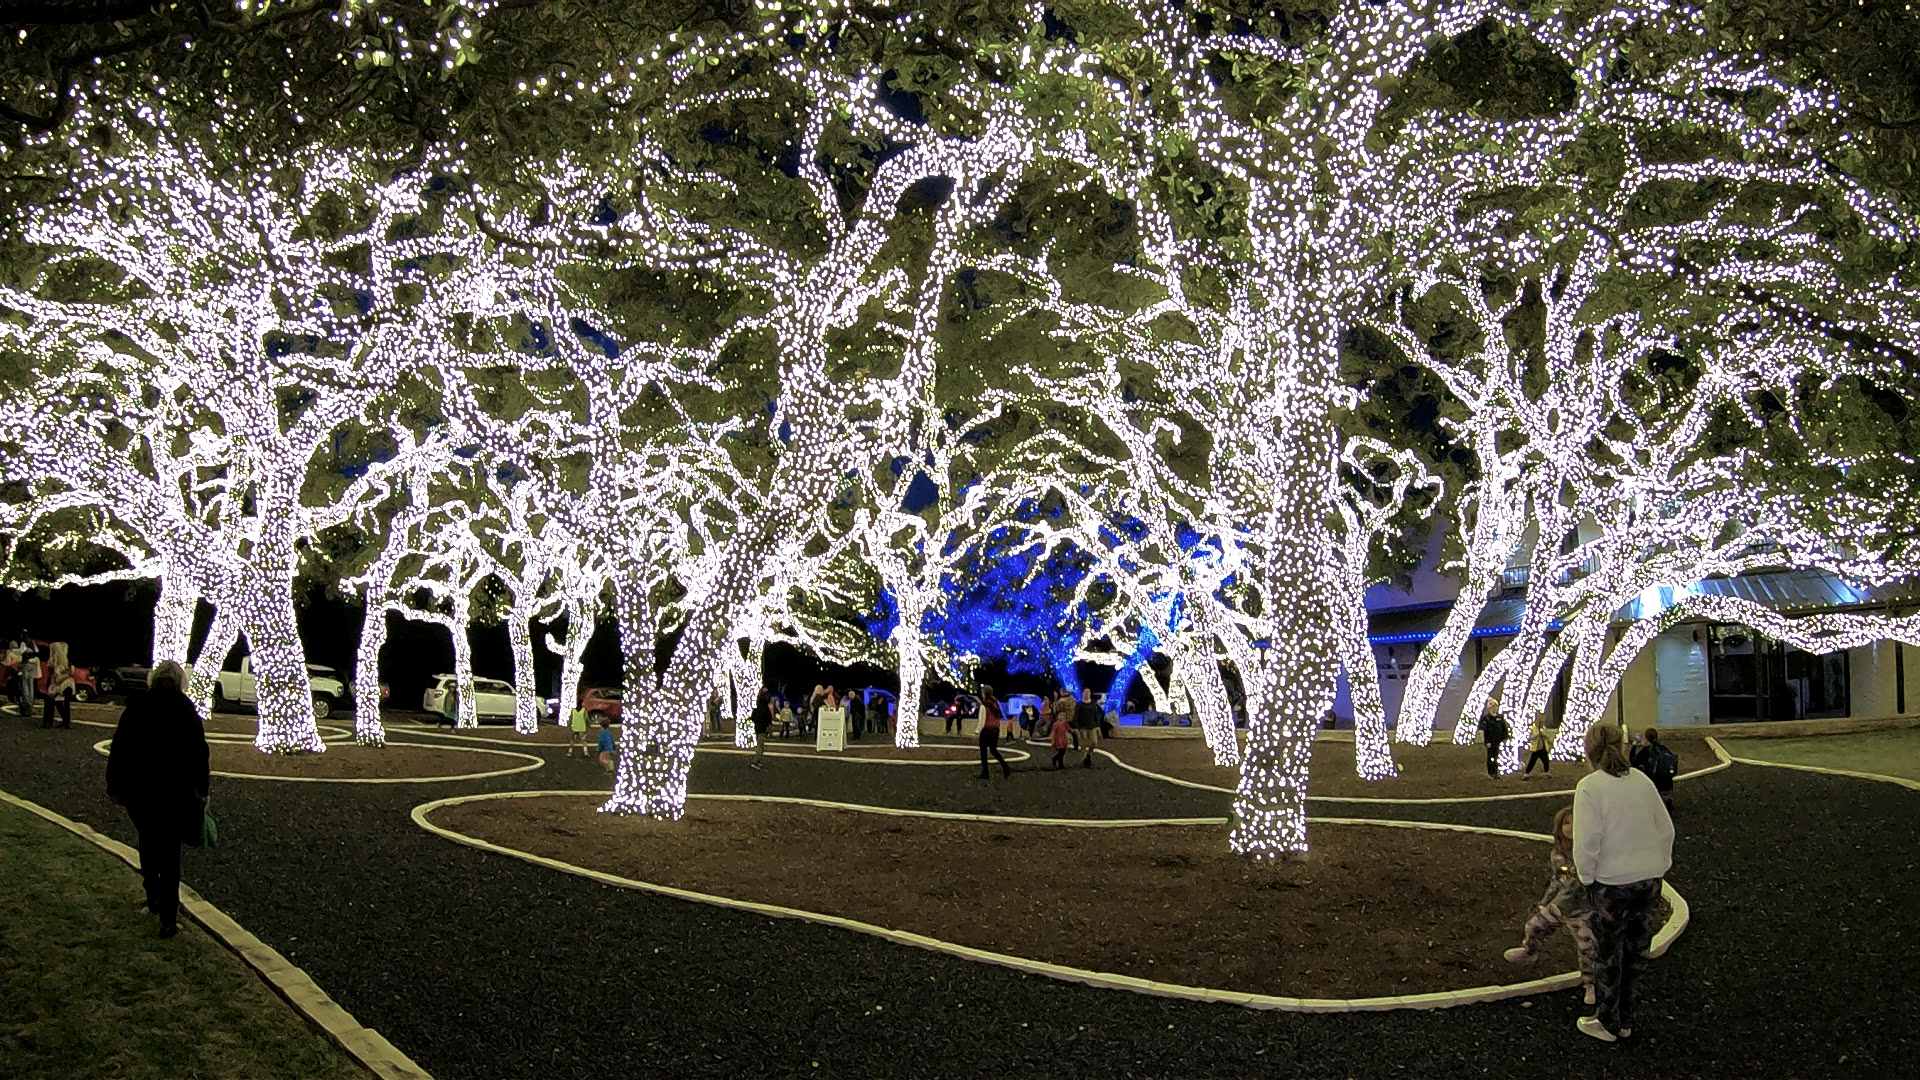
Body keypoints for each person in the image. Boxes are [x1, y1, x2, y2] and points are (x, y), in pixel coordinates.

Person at [1572, 721, 1674, 1043]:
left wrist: (1586, 878)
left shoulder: (1589, 787)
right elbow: (1665, 828)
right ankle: (1627, 1018)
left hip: (1611, 884)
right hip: (1648, 881)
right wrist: (1659, 865)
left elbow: (1587, 841)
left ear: (1589, 749)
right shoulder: (1642, 781)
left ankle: (1607, 1021)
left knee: (1608, 955)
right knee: (1636, 953)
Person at [105, 661, 209, 939]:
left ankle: (152, 889)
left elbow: (120, 747)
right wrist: (203, 789)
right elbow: (200, 754)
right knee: (171, 854)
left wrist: (114, 785)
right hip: (177, 793)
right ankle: (168, 920)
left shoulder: (137, 706)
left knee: (148, 841)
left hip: (141, 790)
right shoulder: (187, 710)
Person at [1503, 805, 1597, 1004]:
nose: (1571, 827)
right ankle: (1529, 950)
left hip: (1583, 908)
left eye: (1575, 822)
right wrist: (1544, 902)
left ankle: (1591, 984)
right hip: (1561, 904)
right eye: (1566, 823)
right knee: (1534, 925)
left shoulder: (1590, 851)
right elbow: (1557, 880)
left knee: (1586, 946)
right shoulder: (1557, 853)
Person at [1630, 726, 1679, 812]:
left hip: (1653, 784)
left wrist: (1635, 745)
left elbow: (1633, 762)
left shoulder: (1646, 751)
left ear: (1645, 739)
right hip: (1667, 785)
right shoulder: (1664, 749)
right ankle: (1666, 802)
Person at [976, 684, 1010, 780]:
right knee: (993, 750)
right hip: (995, 729)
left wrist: (977, 731)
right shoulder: (995, 703)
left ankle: (985, 772)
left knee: (983, 751)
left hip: (986, 730)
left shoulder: (984, 705)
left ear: (984, 693)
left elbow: (982, 720)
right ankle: (1005, 766)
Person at [41, 641, 76, 729]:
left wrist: (54, 684)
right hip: (68, 684)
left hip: (58, 684)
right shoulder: (68, 661)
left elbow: (53, 675)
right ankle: (66, 722)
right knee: (64, 703)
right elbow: (72, 672)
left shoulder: (54, 661)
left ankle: (48, 722)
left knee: (51, 701)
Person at [1478, 698, 1510, 778]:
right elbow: (1485, 731)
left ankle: (1495, 772)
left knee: (1496, 757)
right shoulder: (1486, 719)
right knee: (1491, 757)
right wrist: (1487, 741)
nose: (1494, 708)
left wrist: (1506, 737)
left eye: (1496, 706)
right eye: (1493, 706)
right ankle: (1491, 772)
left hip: (1499, 740)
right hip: (1491, 741)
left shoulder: (1500, 717)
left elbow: (1503, 728)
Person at [1073, 687, 1104, 768]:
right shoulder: (1079, 705)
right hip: (1082, 727)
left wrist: (1098, 726)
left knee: (1094, 742)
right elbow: (1075, 716)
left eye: (1088, 693)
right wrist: (1076, 727)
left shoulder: (1093, 704)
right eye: (1085, 693)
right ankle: (1084, 758)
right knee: (1084, 743)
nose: (1086, 694)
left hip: (1092, 726)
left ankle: (1089, 754)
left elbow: (1096, 715)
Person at [749, 689, 773, 770]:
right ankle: (755, 761)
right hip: (762, 729)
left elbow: (753, 718)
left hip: (758, 728)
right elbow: (768, 719)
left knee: (761, 746)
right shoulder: (765, 709)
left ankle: (757, 760)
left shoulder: (758, 709)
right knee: (760, 746)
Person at [18, 638, 39, 717]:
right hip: (33, 664)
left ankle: (27, 703)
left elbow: (21, 651)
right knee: (31, 684)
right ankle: (31, 703)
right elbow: (37, 650)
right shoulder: (33, 642)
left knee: (25, 684)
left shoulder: (24, 642)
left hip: (27, 664)